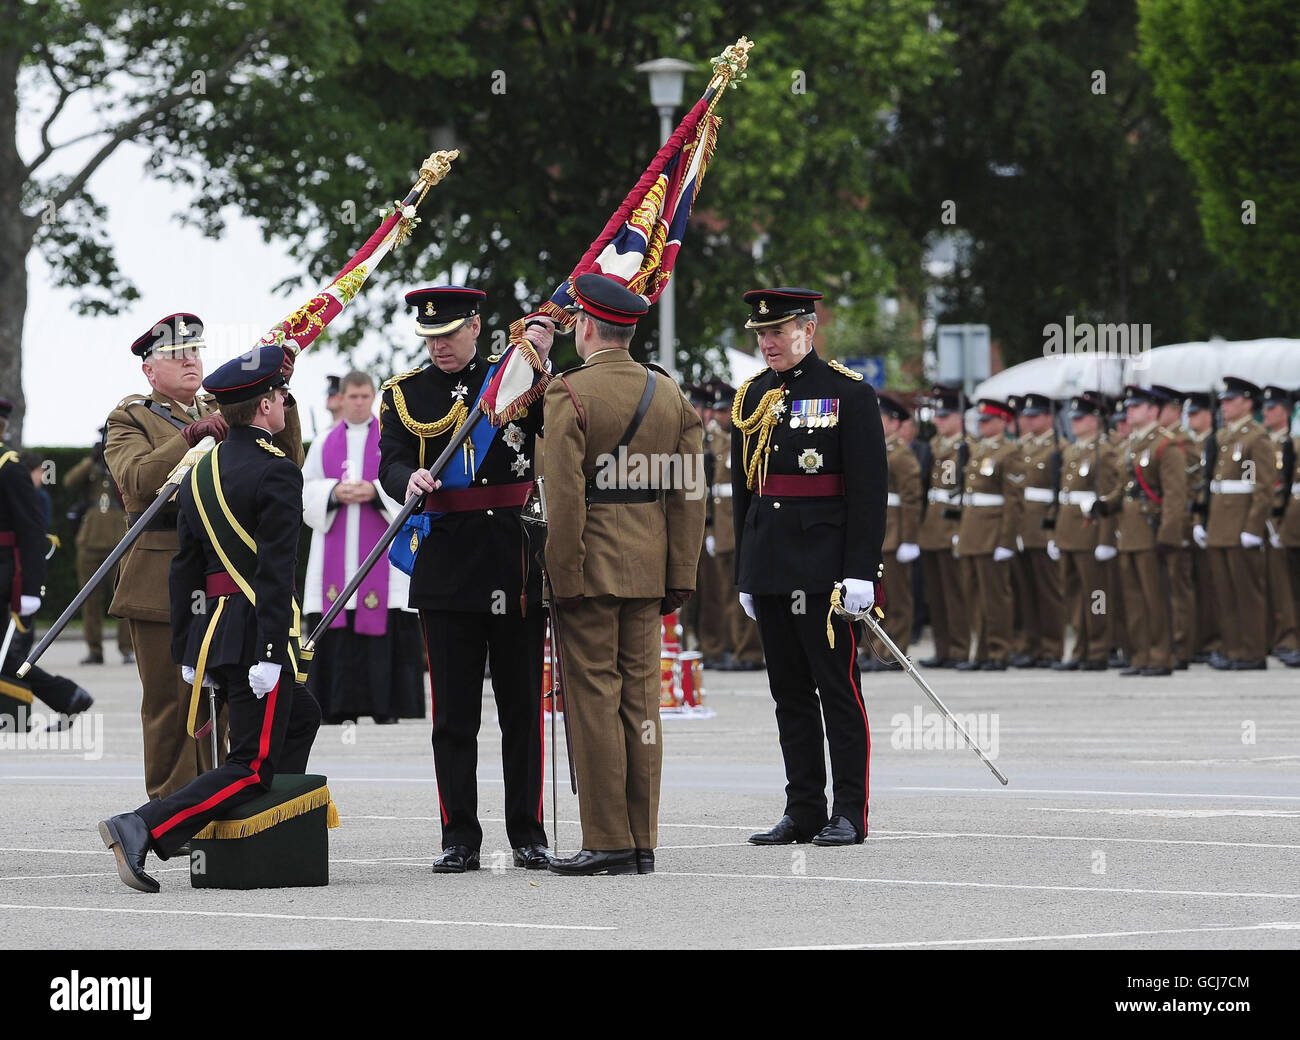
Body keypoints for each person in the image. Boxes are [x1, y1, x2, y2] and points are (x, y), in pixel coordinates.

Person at [97, 345, 321, 893]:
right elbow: (274, 574)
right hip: (256, 637)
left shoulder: (198, 471)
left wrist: (185, 652)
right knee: (249, 764)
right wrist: (272, 654)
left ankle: (267, 828)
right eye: (282, 399)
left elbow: (185, 571)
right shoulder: (277, 473)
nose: (287, 408)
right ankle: (143, 827)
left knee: (301, 715)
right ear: (266, 404)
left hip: (214, 631)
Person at [379, 285, 554, 874]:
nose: (440, 347)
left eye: (450, 334)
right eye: (430, 338)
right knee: (454, 715)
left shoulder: (516, 377)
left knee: (521, 708)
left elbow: (554, 430)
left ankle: (528, 832)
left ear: (476, 326)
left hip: (513, 556)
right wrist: (408, 478)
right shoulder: (404, 393)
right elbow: (390, 457)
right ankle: (459, 835)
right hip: (447, 561)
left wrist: (541, 355)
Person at [541, 273, 705, 876]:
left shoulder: (570, 393)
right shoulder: (669, 395)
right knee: (641, 704)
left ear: (584, 326)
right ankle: (642, 840)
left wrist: (562, 573)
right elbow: (690, 494)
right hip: (648, 566)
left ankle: (607, 838)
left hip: (588, 568)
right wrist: (680, 574)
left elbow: (563, 497)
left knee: (593, 701)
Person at [731, 286, 886, 847]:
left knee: (837, 691)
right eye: (762, 334)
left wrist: (862, 571)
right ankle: (803, 808)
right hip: (770, 566)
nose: (769, 342)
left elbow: (869, 492)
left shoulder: (849, 394)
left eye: (779, 332)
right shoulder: (750, 396)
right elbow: (744, 492)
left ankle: (850, 810)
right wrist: (745, 571)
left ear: (809, 330)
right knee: (788, 694)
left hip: (825, 572)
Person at [302, 370, 425, 724]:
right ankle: (337, 707)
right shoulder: (324, 441)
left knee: (383, 625)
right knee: (337, 627)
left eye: (364, 396)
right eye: (352, 397)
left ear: (373, 397)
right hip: (335, 562)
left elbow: (409, 483)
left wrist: (376, 490)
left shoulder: (391, 439)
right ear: (341, 399)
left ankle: (385, 708)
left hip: (381, 563)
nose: (358, 403)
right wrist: (332, 492)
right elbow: (305, 489)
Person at [0, 402, 93, 722]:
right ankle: (68, 697)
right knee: (7, 658)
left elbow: (31, 532)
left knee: (6, 658)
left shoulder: (10, 469)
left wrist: (30, 588)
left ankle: (66, 696)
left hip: (4, 577)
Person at [1095, 385, 1186, 676]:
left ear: (1151, 410)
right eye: (1128, 407)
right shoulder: (1131, 445)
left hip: (1151, 530)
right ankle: (1141, 655)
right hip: (1129, 530)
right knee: (1133, 599)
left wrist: (1168, 535)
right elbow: (1125, 489)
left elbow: (1175, 495)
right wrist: (1104, 505)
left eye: (1135, 406)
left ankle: (1161, 656)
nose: (1129, 411)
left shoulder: (1165, 444)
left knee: (1154, 597)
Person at [1195, 377, 1272, 670]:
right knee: (1224, 593)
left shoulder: (1256, 437)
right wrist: (1205, 522)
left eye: (1230, 400)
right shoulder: (1224, 438)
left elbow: (1262, 488)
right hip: (1220, 525)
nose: (1224, 406)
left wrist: (1252, 528)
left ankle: (1252, 652)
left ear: (1247, 402)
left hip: (1241, 527)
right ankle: (1232, 648)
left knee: (1246, 592)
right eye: (1223, 401)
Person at [1048, 391, 1118, 670]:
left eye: (1081, 418)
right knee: (1073, 596)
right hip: (1068, 532)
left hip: (1090, 533)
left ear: (1096, 420)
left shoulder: (1105, 451)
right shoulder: (1072, 451)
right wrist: (1055, 533)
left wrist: (1105, 539)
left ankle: (1099, 649)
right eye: (1073, 418)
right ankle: (1080, 649)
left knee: (1096, 596)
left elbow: (1108, 498)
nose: (1074, 423)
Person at [955, 399, 1019, 671]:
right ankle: (980, 651)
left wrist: (1006, 541)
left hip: (992, 535)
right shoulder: (977, 449)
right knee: (974, 597)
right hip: (972, 533)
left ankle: (998, 650)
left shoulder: (1009, 451)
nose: (982, 426)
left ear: (1003, 422)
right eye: (980, 421)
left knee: (995, 598)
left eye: (988, 421)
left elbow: (1013, 501)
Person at [705, 380, 762, 671]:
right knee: (728, 597)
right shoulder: (718, 442)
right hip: (724, 531)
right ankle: (737, 650)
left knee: (744, 595)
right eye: (718, 411)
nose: (719, 417)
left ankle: (748, 652)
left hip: (740, 529)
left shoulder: (743, 438)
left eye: (725, 411)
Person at [64, 430, 134, 665]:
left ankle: (127, 649)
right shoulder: (91, 467)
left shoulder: (120, 463)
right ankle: (95, 650)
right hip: (90, 540)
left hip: (118, 541)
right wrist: (90, 461)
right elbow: (68, 482)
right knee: (89, 599)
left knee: (123, 598)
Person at [861, 394, 920, 671]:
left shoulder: (901, 452)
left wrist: (910, 539)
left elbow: (911, 498)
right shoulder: (873, 446)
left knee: (895, 597)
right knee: (873, 597)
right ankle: (874, 648)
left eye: (880, 417)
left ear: (894, 422)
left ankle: (895, 650)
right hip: (876, 530)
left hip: (895, 533)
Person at [1006, 392, 1064, 667]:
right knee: (1024, 593)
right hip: (1021, 529)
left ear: (1049, 417)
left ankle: (1051, 647)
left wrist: (1053, 529)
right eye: (1025, 416)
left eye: (1035, 416)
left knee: (1048, 593)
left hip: (1042, 530)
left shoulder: (1058, 448)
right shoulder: (1020, 447)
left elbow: (1058, 492)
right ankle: (1028, 645)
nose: (1028, 421)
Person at [917, 385, 971, 668]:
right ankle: (943, 648)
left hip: (952, 524)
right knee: (935, 594)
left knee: (955, 592)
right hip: (931, 527)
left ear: (959, 417)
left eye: (945, 415)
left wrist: (960, 529)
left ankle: (960, 648)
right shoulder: (935, 446)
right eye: (937, 415)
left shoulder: (966, 446)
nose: (939, 420)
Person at [1151, 384, 1198, 668]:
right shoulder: (1158, 440)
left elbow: (1185, 488)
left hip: (1178, 521)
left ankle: (1182, 645)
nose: (1157, 414)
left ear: (1176, 411)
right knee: (1164, 587)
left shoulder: (1182, 441)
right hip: (1164, 519)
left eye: (1162, 408)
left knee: (1179, 586)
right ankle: (1168, 641)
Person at [1260, 386, 1300, 666]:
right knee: (1275, 584)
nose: (1265, 412)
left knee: (1287, 585)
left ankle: (1288, 638)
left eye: (1272, 407)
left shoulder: (1291, 443)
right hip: (1272, 519)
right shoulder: (1265, 443)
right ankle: (1281, 638)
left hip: (1287, 519)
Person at [1183, 390, 1220, 662]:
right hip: (1186, 521)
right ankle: (1195, 641)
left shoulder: (1215, 442)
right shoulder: (1185, 443)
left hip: (1209, 520)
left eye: (1195, 413)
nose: (1190, 418)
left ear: (1209, 415)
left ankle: (1212, 640)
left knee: (1210, 586)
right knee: (1190, 585)